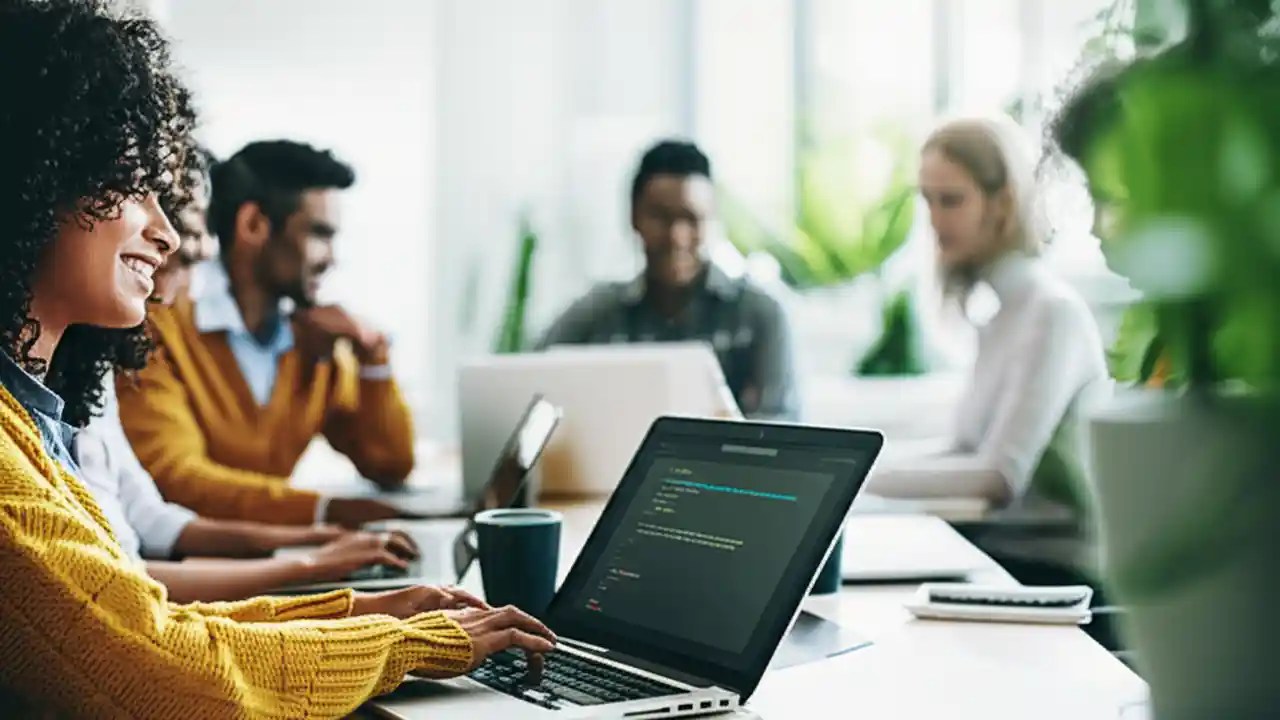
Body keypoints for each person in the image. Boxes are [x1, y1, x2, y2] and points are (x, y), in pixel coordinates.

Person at [0, 2, 554, 716]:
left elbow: (141, 616)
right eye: (132, 184)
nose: (166, 235)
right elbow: (169, 668)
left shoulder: (32, 417)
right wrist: (403, 639)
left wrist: (363, 612)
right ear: (36, 177)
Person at [76, 147, 421, 601]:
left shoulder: (312, 338)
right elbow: (174, 477)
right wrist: (324, 515)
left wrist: (373, 357)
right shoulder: (154, 316)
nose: (331, 258)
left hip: (225, 559)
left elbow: (391, 462)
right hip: (193, 573)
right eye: (319, 234)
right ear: (254, 225)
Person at [864, 115, 1109, 582]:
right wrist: (860, 466)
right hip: (996, 558)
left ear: (1003, 203)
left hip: (1052, 573)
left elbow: (998, 476)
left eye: (951, 200)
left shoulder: (1050, 313)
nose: (934, 220)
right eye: (928, 200)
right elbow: (963, 449)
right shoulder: (1000, 316)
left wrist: (855, 482)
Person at [536, 139, 801, 420]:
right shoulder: (597, 314)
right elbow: (532, 383)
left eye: (691, 218)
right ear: (634, 217)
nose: (677, 236)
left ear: (712, 220)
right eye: (660, 217)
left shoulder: (760, 314)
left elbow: (781, 423)